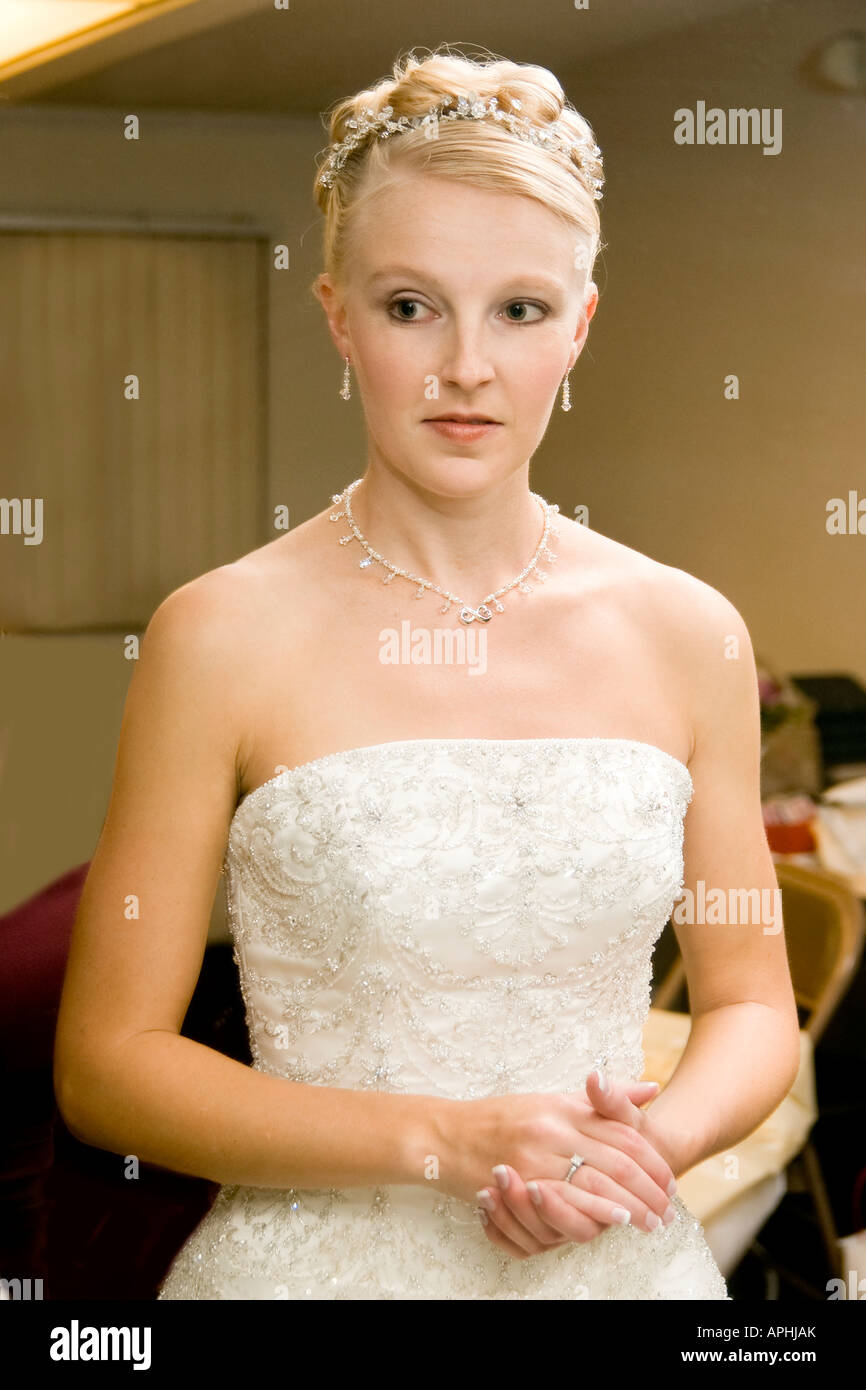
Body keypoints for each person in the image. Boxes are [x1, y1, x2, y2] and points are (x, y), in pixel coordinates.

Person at [54, 45, 801, 1300]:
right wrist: (444, 1143)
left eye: (518, 308)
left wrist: (636, 1154)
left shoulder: (688, 630)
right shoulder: (216, 634)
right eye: (412, 307)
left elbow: (749, 1009)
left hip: (614, 1264)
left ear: (579, 325)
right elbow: (109, 1065)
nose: (466, 366)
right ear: (338, 313)